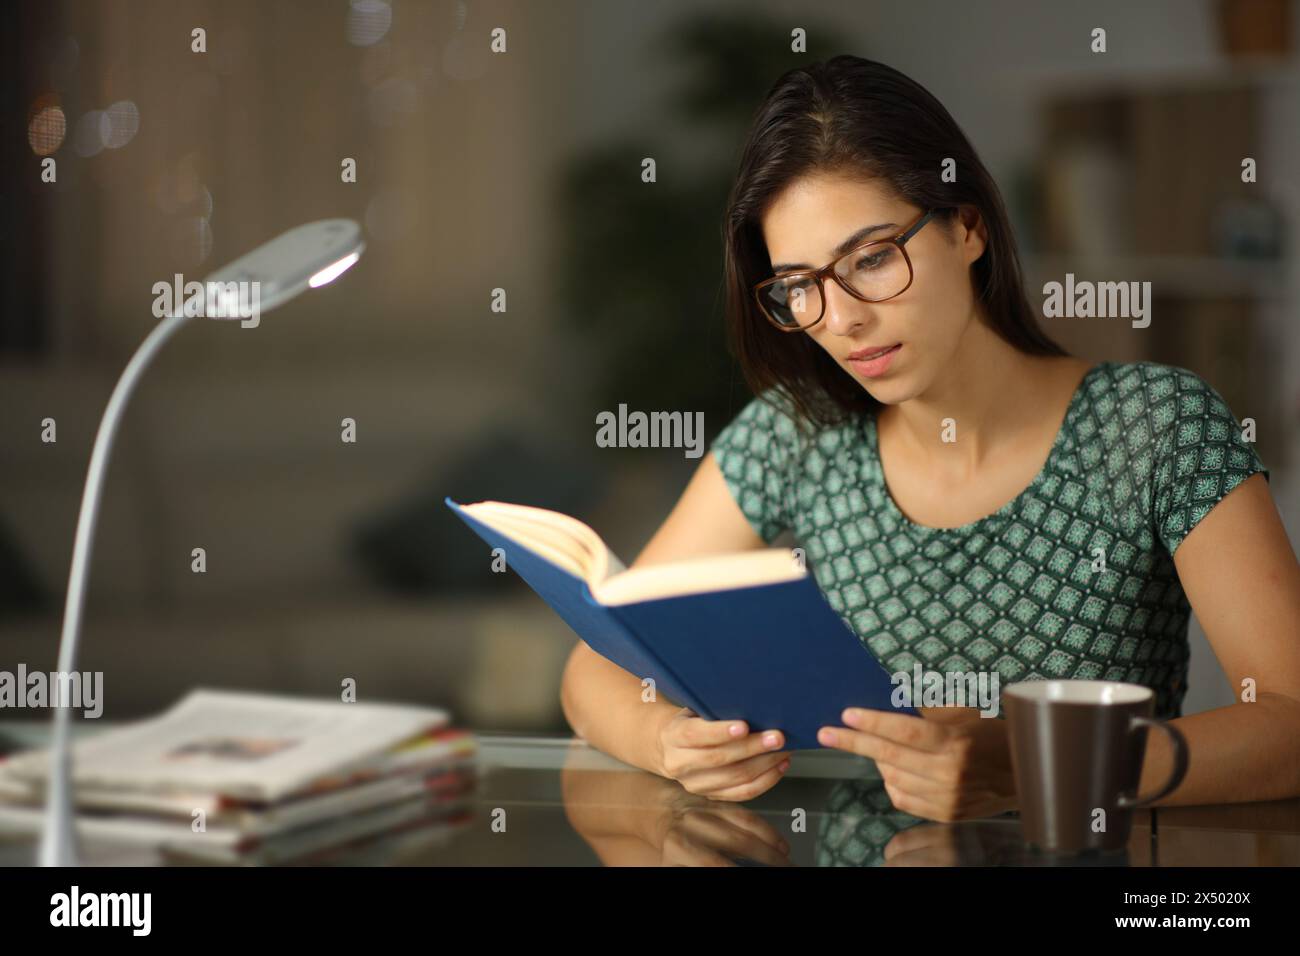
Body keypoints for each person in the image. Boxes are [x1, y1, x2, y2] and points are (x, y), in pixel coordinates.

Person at [560, 55, 1300, 819]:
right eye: (800, 286)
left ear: (968, 227)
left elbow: (1291, 720)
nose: (841, 319)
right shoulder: (796, 435)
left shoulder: (1156, 428)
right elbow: (596, 670)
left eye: (873, 259)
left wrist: (1030, 764)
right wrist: (668, 743)